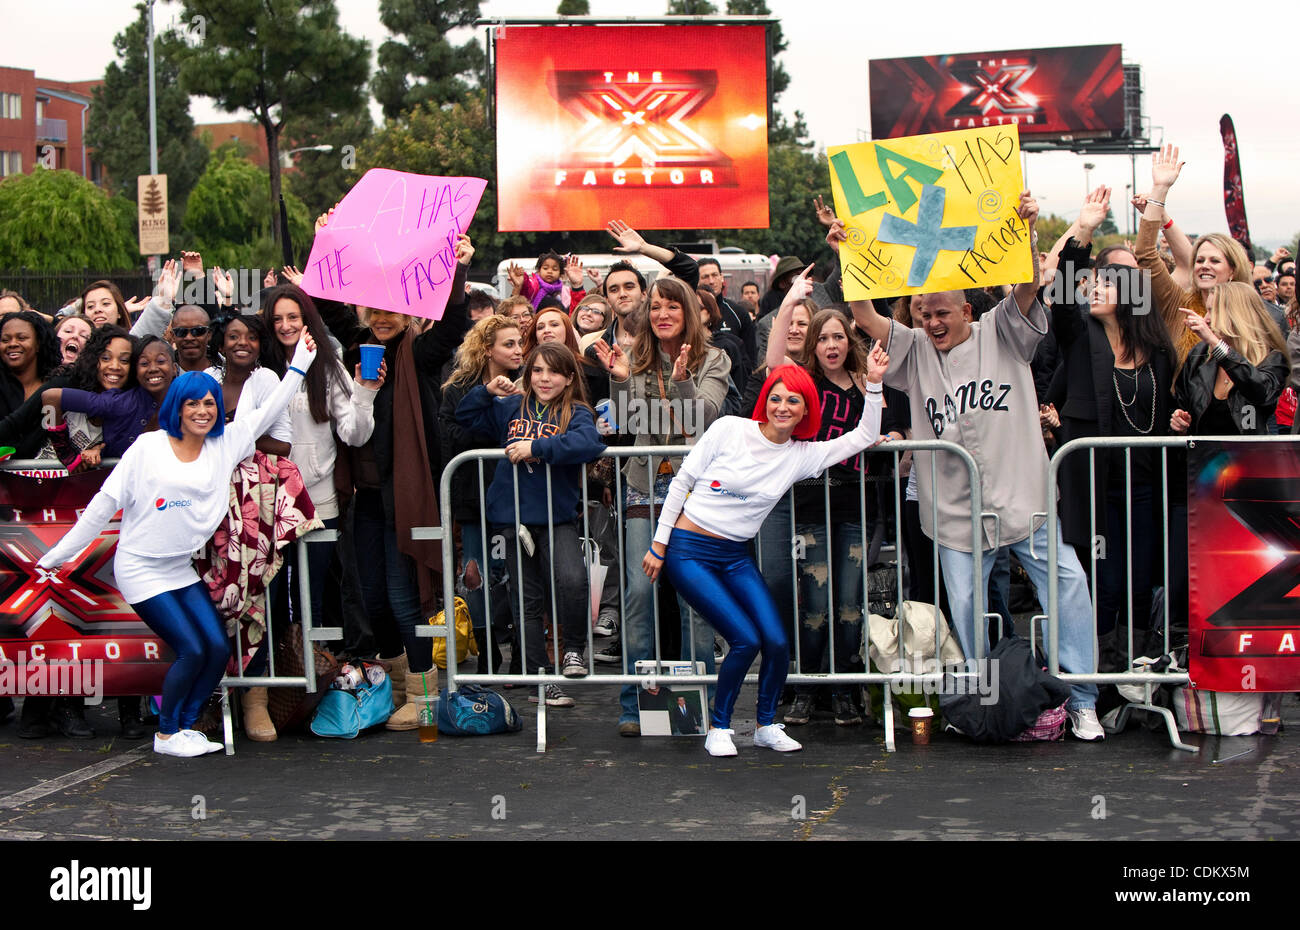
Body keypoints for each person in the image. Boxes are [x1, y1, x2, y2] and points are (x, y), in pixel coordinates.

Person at [844, 190, 1106, 741]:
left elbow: (1030, 285)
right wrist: (853, 251)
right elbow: (864, 314)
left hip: (1024, 497)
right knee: (966, 606)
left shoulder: (1000, 331)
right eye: (923, 313)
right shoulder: (914, 350)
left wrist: (1025, 227)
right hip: (957, 514)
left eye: (942, 312)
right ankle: (990, 704)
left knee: (1069, 585)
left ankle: (1082, 698)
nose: (933, 321)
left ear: (967, 309)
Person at [36, 331, 319, 757]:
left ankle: (185, 727)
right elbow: (100, 508)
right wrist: (57, 556)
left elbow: (270, 408)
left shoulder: (226, 443)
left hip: (178, 567)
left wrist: (299, 364)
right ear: (178, 408)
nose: (202, 411)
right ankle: (166, 733)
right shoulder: (147, 449)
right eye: (192, 403)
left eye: (209, 403)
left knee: (218, 647)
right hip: (140, 568)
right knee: (190, 649)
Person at [644, 336, 888, 757]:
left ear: (806, 410)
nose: (782, 407)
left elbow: (865, 434)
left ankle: (765, 724)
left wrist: (876, 384)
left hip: (735, 557)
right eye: (776, 398)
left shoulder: (802, 455)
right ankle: (719, 727)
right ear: (765, 401)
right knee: (745, 639)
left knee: (776, 641)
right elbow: (681, 481)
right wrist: (659, 544)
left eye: (794, 401)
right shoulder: (729, 429)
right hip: (689, 551)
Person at [315, 229, 475, 730]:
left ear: (408, 315)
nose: (382, 319)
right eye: (374, 310)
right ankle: (403, 689)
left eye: (392, 312)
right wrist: (327, 243)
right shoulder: (357, 349)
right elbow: (327, 307)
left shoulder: (419, 354)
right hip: (362, 499)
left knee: (406, 597)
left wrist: (459, 267)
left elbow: (452, 326)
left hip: (406, 501)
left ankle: (425, 695)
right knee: (373, 599)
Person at [592, 275, 731, 737]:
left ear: (688, 311)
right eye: (655, 307)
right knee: (636, 593)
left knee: (694, 600)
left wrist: (683, 383)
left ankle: (699, 704)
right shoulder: (637, 358)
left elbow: (703, 418)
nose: (662, 314)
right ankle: (635, 704)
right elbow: (628, 421)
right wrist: (619, 383)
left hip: (694, 497)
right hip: (642, 487)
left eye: (672, 306)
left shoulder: (715, 358)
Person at [766, 274, 906, 727]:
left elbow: (897, 422)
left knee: (849, 606)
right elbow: (772, 365)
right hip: (810, 510)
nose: (830, 344)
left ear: (850, 341)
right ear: (813, 344)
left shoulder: (870, 382)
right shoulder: (802, 383)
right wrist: (789, 303)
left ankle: (846, 690)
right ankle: (807, 689)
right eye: (822, 337)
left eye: (838, 336)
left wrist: (896, 434)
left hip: (856, 510)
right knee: (814, 606)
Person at [1049, 187, 1178, 668]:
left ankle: (1138, 669)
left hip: (1145, 486)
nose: (1095, 289)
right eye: (1094, 282)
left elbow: (1169, 408)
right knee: (1102, 580)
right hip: (1097, 486)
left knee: (1140, 580)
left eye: (1107, 284)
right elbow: (1062, 295)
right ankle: (1098, 672)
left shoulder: (1159, 353)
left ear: (1133, 297)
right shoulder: (1081, 337)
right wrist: (1084, 228)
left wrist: (1177, 416)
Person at [249, 283, 381, 740]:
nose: (286, 327)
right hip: (265, 505)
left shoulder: (329, 367)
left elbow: (356, 434)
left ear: (308, 320)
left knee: (312, 601)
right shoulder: (258, 370)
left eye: (294, 317)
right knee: (270, 601)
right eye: (278, 319)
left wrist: (364, 391)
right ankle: (264, 697)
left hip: (319, 502)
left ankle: (309, 696)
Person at [456, 343, 605, 706]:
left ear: (569, 377)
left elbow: (589, 442)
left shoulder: (577, 412)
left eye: (553, 371)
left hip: (559, 518)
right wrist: (485, 391)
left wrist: (537, 447)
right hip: (514, 519)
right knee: (526, 600)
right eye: (537, 370)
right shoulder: (511, 406)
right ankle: (541, 682)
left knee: (572, 579)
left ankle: (573, 651)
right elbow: (465, 418)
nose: (544, 378)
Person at [440, 314, 525, 674]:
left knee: (516, 575)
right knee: (475, 576)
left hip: (518, 497)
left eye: (520, 342)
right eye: (509, 344)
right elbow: (449, 433)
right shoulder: (459, 386)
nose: (518, 350)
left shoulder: (533, 380)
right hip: (473, 494)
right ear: (487, 350)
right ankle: (487, 654)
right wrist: (490, 432)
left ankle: (523, 654)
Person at [1136, 145, 1255, 369]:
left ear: (1233, 270)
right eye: (1199, 261)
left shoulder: (1255, 314)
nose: (1204, 266)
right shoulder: (1178, 305)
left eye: (1214, 261)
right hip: (1179, 405)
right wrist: (1160, 190)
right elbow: (1145, 255)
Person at [1170, 282, 1290, 437]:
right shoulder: (1199, 355)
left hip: (1249, 458)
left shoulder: (1271, 358)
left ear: (1237, 315)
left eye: (1213, 311)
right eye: (1207, 311)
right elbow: (1179, 403)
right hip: (1205, 459)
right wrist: (1180, 423)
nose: (1205, 319)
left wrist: (1216, 344)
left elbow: (1261, 392)